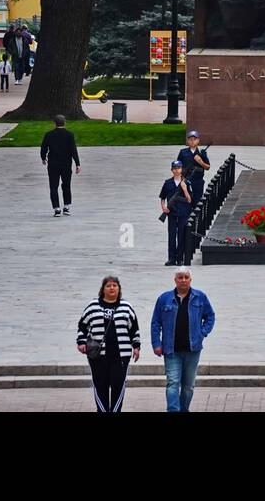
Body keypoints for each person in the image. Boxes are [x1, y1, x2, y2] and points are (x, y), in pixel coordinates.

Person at [150, 267, 215, 412]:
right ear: (175, 280)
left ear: (190, 280)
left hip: (193, 349)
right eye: (180, 277)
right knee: (172, 383)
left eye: (186, 277)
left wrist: (202, 332)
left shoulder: (200, 297)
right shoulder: (164, 299)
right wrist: (156, 343)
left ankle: (183, 409)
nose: (183, 280)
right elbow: (155, 323)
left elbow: (210, 316)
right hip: (171, 350)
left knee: (188, 386)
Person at [76, 275, 141, 412]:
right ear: (103, 289)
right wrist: (81, 342)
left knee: (118, 387)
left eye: (114, 285)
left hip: (120, 357)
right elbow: (82, 326)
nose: (112, 288)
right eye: (108, 286)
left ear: (119, 289)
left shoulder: (126, 307)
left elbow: (134, 329)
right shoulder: (93, 306)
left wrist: (136, 346)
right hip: (98, 357)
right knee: (100, 387)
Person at [39, 115, 81, 217]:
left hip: (53, 163)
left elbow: (43, 148)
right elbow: (73, 150)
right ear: (65, 123)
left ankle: (56, 208)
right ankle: (66, 206)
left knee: (53, 186)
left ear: (54, 123)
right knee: (66, 185)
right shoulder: (69, 135)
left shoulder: (49, 135)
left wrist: (43, 158)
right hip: (66, 163)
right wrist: (77, 164)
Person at [159, 161, 193, 265]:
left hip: (183, 212)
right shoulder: (168, 183)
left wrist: (185, 189)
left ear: (181, 169)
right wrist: (163, 207)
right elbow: (162, 197)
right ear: (172, 170)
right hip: (172, 213)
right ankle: (171, 259)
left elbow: (189, 200)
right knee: (172, 236)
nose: (176, 170)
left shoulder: (186, 183)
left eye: (178, 168)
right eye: (174, 168)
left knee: (181, 236)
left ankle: (180, 258)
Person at [176, 130, 211, 204]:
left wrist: (200, 162)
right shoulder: (183, 152)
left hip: (198, 181)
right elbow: (178, 167)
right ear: (187, 141)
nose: (192, 141)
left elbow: (208, 167)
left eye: (194, 139)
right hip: (185, 180)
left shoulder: (202, 153)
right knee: (186, 201)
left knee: (197, 202)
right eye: (190, 139)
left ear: (198, 140)